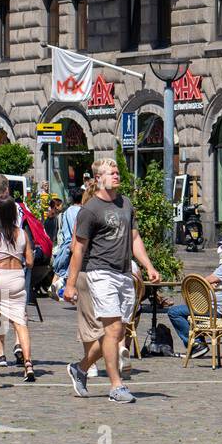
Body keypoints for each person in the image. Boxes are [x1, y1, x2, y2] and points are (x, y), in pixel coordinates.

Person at [65, 158, 161, 403]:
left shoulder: (125, 204)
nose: (117, 176)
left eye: (117, 172)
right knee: (114, 329)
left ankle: (80, 368)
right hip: (100, 272)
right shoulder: (90, 210)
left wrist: (148, 265)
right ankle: (116, 386)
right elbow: (78, 249)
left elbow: (135, 238)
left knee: (115, 333)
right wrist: (70, 283)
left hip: (123, 273)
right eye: (111, 173)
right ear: (98, 179)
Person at [0, 198, 36, 382]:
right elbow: (30, 261)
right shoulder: (23, 234)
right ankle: (28, 364)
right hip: (17, 277)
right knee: (20, 322)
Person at [167, 234, 222, 360]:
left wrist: (212, 283)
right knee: (184, 310)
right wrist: (217, 285)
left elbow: (205, 280)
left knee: (174, 312)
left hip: (215, 308)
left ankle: (197, 345)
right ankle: (198, 342)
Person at [52, 187, 84, 282]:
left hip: (66, 247)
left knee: (63, 275)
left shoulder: (66, 212)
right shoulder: (82, 212)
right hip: (77, 247)